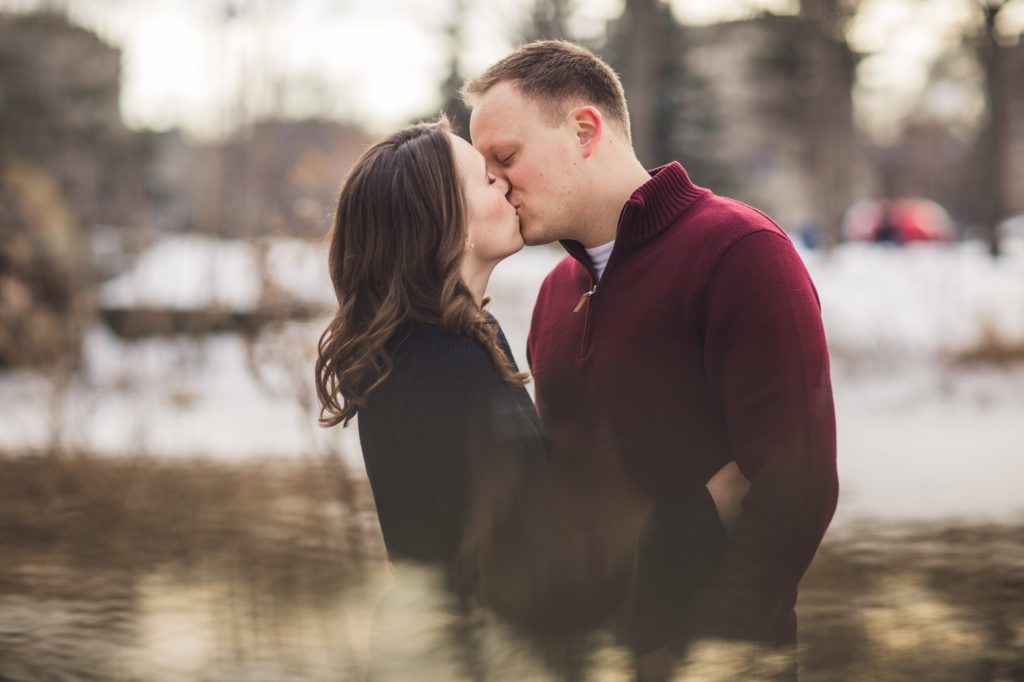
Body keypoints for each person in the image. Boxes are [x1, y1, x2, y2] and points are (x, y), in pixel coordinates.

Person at [462, 40, 839, 679]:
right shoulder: (556, 294)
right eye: (486, 169)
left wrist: (716, 648)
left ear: (584, 130)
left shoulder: (739, 251)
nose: (497, 184)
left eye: (507, 157)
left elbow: (796, 484)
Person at [313, 118, 646, 679]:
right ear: (447, 225)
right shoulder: (445, 365)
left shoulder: (428, 345)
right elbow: (534, 570)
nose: (505, 185)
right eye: (485, 180)